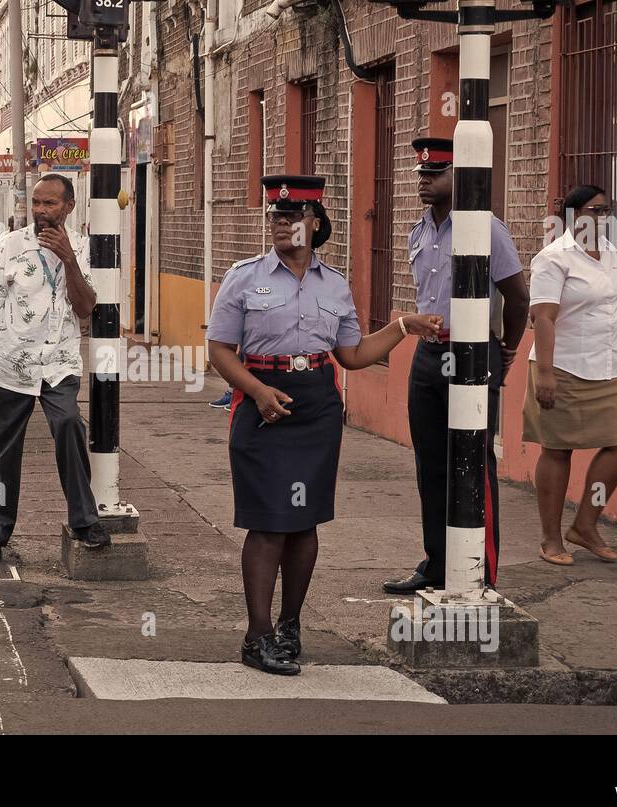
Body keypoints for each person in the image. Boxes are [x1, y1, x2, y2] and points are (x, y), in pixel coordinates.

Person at [207, 174, 443, 675]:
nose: (281, 224)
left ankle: (290, 625)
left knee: (305, 520)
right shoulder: (244, 277)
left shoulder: (335, 285)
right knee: (268, 522)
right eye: (276, 216)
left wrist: (403, 326)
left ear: (315, 225)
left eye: (292, 217)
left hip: (315, 403)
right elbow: (220, 351)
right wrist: (256, 391)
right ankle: (258, 634)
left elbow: (353, 355)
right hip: (262, 402)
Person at [382, 137, 530, 595]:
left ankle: (480, 570)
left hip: (472, 353)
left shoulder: (484, 229)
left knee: (473, 460)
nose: (424, 182)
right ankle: (436, 562)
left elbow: (518, 295)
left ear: (458, 176)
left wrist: (505, 349)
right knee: (430, 463)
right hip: (428, 354)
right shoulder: (419, 231)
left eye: (435, 174)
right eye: (421, 174)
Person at [0, 174, 109, 564]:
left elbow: (85, 308)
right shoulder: (11, 246)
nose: (41, 212)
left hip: (58, 365)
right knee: (2, 452)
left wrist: (68, 259)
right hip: (12, 363)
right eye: (36, 203)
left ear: (69, 207)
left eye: (50, 204)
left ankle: (84, 521)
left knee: (68, 425)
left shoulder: (82, 248)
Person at [526, 185, 617, 565]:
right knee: (558, 449)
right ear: (574, 214)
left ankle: (585, 525)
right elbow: (543, 316)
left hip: (608, 365)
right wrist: (545, 372)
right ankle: (550, 538)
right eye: (597, 210)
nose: (604, 217)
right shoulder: (553, 258)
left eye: (609, 211)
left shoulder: (609, 253)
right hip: (563, 366)